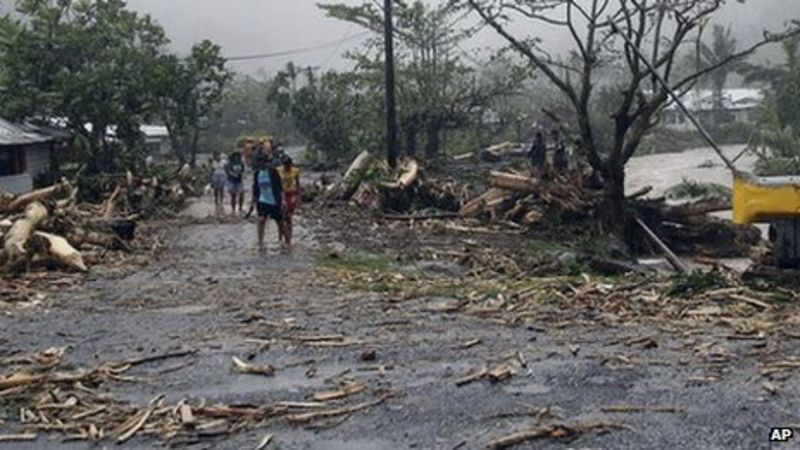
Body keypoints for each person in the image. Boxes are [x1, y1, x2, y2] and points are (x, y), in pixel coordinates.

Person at [252, 154, 283, 253]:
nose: (260, 165)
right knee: (261, 220)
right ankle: (260, 242)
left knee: (280, 222)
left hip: (274, 200)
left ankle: (282, 240)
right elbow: (255, 188)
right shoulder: (257, 173)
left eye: (262, 162)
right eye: (259, 163)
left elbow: (280, 187)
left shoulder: (273, 172)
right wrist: (253, 201)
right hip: (262, 200)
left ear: (266, 162)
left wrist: (282, 201)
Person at [277, 157, 300, 248]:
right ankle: (280, 237)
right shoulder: (278, 170)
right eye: (285, 165)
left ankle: (289, 238)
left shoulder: (295, 171)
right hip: (280, 194)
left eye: (288, 165)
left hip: (290, 194)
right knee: (281, 217)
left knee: (289, 217)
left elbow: (297, 184)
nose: (286, 167)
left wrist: (298, 198)